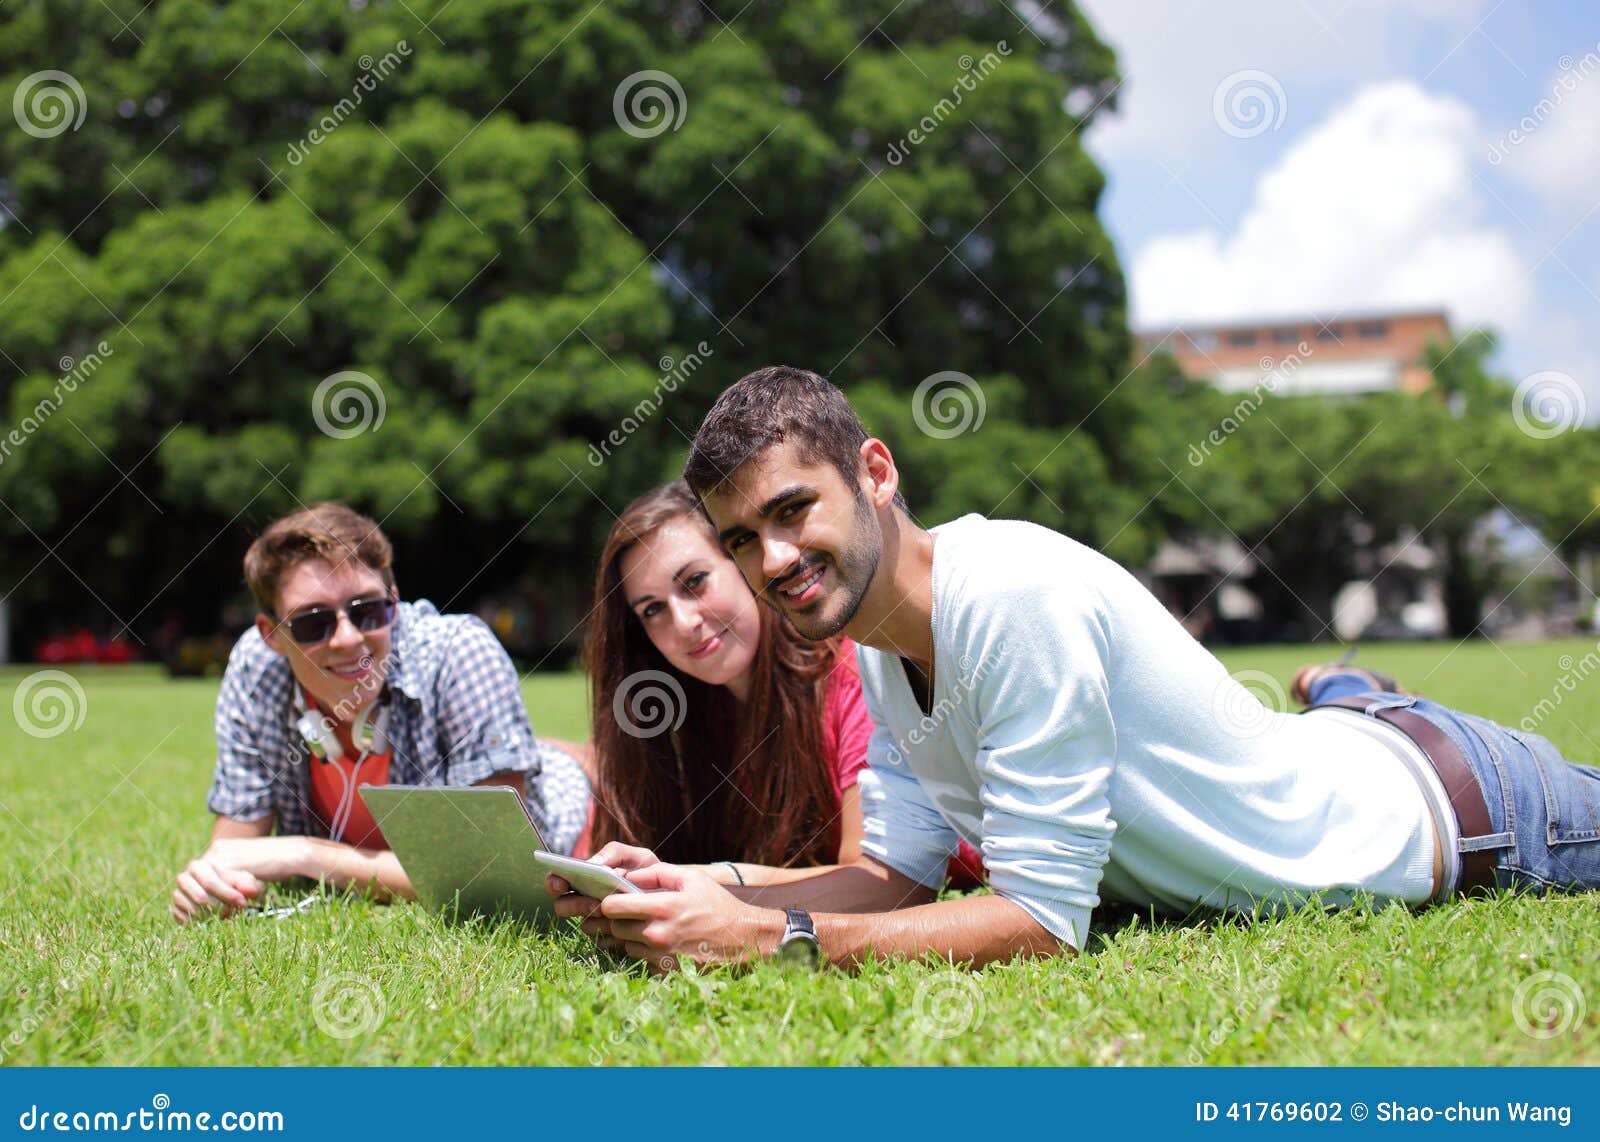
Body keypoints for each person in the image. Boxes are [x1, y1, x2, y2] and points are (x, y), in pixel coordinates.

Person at [554, 365, 1600, 970]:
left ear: (874, 472)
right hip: (1353, 750)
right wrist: (701, 884)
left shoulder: (1005, 593)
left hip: (1470, 809)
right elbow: (892, 876)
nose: (772, 560)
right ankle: (1340, 685)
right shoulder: (874, 645)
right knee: (1323, 713)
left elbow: (1046, 920)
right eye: (742, 538)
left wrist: (769, 937)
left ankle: (1351, 689)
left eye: (792, 512)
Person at [171, 502, 590, 922]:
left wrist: (307, 853)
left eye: (367, 611)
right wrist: (212, 883)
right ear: (271, 635)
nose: (348, 639)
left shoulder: (458, 652)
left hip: (582, 812)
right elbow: (236, 848)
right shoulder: (256, 667)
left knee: (593, 764)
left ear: (394, 602)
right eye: (313, 624)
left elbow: (495, 873)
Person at [567, 480, 982, 887]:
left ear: (746, 564)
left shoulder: (850, 671)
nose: (683, 622)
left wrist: (715, 881)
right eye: (652, 609)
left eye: (694, 582)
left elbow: (872, 874)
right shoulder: (694, 709)